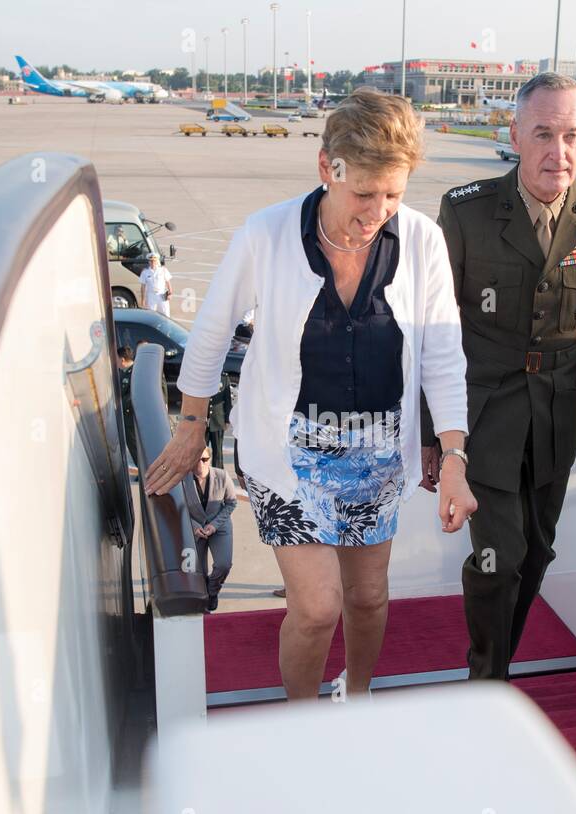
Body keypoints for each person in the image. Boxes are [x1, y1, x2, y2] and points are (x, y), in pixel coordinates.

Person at [146, 88, 475, 701]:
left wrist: (453, 457)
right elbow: (211, 332)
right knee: (319, 608)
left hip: (377, 456)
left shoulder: (423, 241)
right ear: (328, 168)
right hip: (288, 457)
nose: (379, 210)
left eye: (394, 194)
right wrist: (192, 425)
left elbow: (442, 356)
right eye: (364, 193)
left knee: (369, 597)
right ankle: (299, 723)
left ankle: (358, 692)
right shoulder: (265, 235)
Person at [420, 72, 576, 680]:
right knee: (499, 557)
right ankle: (486, 679)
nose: (559, 151)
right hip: (483, 412)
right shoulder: (466, 211)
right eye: (544, 134)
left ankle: (498, 664)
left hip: (557, 411)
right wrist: (430, 437)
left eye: (572, 135)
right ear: (515, 134)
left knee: (538, 552)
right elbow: (435, 329)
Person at [183, 447, 237, 612]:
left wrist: (214, 525)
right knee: (196, 570)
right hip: (194, 528)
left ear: (210, 459)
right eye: (197, 459)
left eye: (204, 459)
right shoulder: (181, 480)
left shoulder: (222, 476)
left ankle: (212, 591)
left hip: (219, 526)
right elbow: (178, 507)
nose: (201, 463)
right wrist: (193, 526)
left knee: (223, 565)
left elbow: (231, 503)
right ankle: (201, 602)